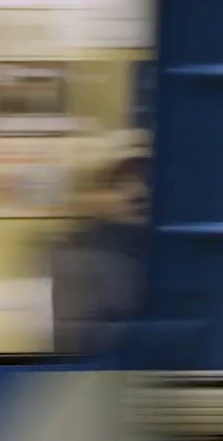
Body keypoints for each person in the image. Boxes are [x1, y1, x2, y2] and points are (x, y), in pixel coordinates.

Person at [49, 151, 149, 355]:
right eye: (123, 185)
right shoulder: (78, 253)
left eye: (145, 183)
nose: (137, 193)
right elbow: (72, 334)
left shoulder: (162, 248)